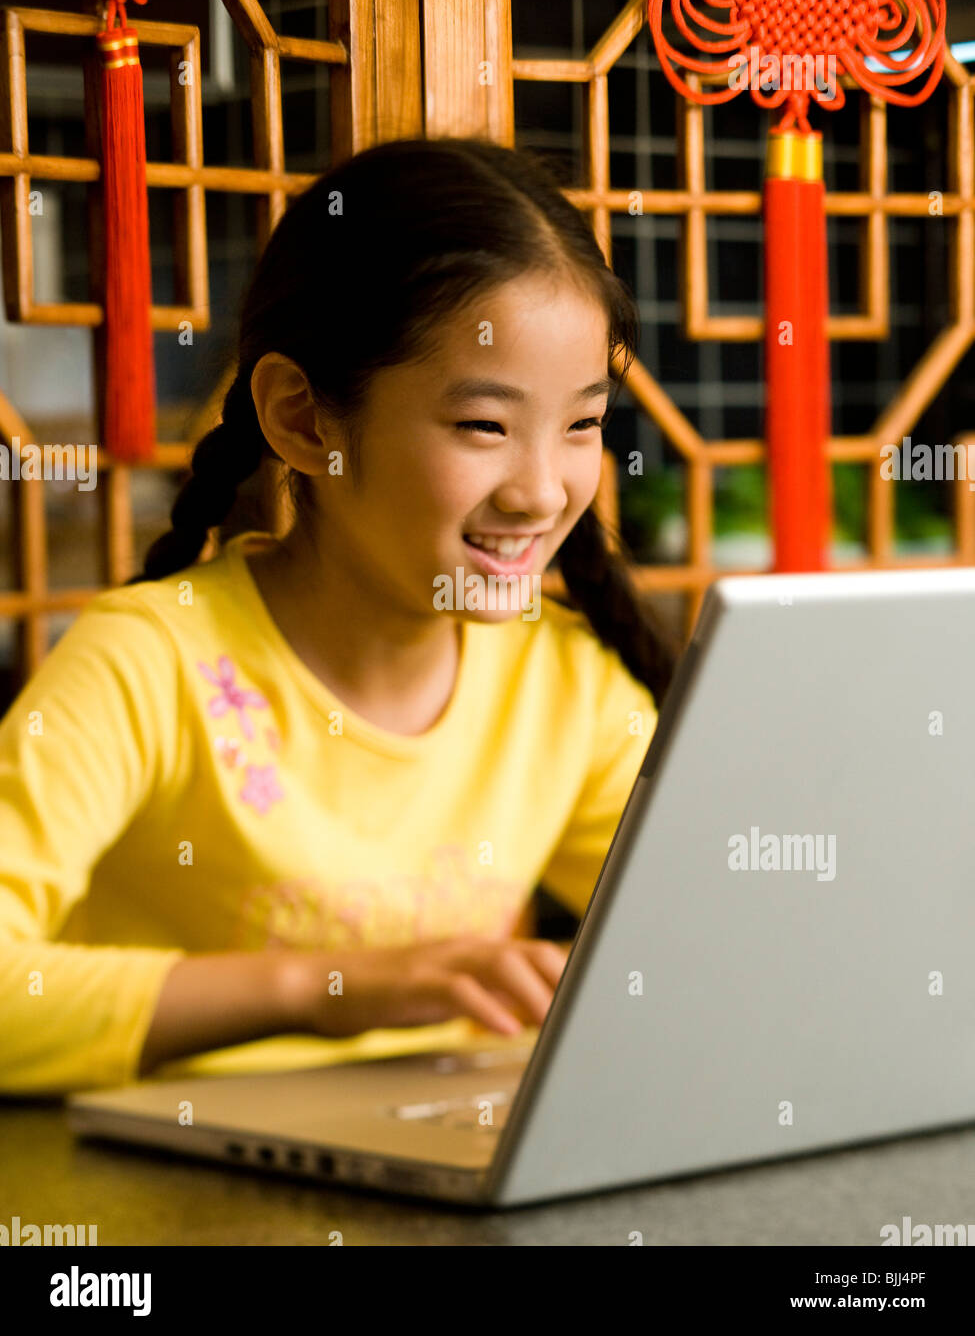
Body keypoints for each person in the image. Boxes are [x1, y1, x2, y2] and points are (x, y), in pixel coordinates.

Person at [0, 137, 677, 1097]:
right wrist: (320, 988)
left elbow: (721, 941)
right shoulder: (146, 662)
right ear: (305, 421)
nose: (541, 491)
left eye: (580, 424)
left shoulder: (564, 685)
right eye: (484, 426)